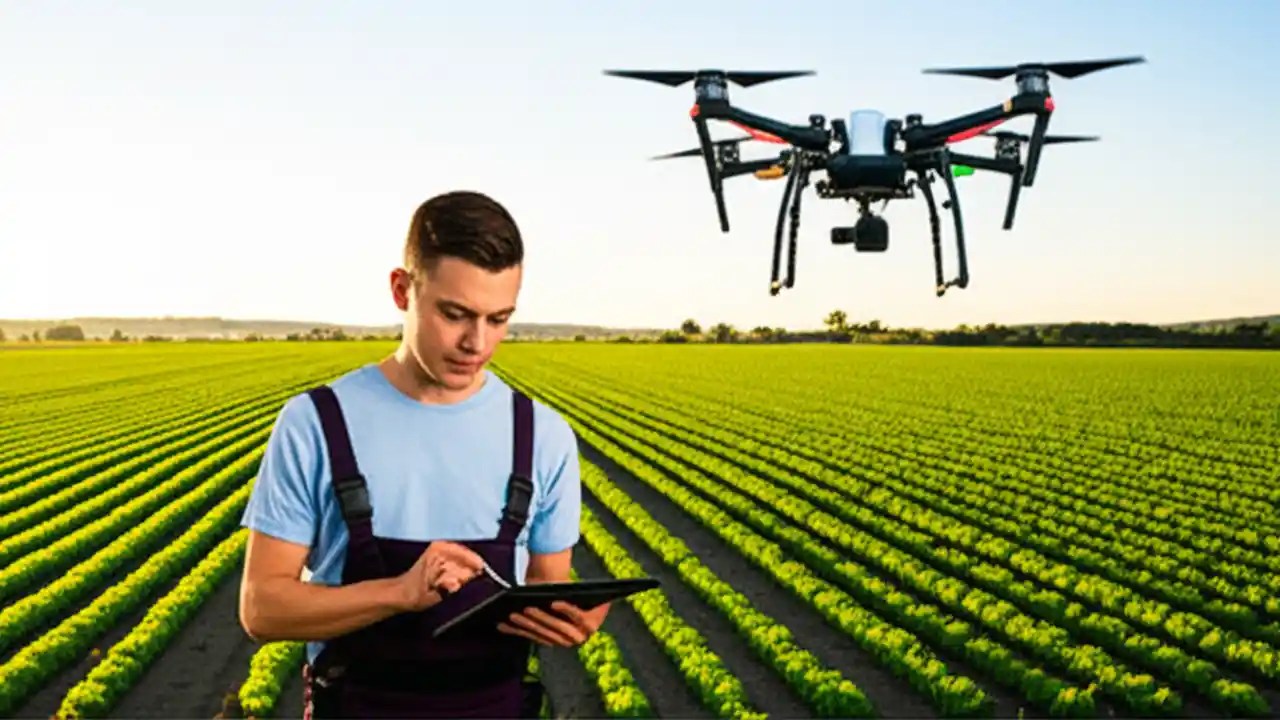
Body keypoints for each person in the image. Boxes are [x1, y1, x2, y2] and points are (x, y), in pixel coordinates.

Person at [237, 190, 610, 719]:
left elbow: (549, 580)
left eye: (498, 319)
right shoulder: (317, 423)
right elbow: (261, 608)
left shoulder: (543, 436)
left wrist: (573, 614)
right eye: (455, 314)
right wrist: (399, 592)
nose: (476, 343)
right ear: (401, 289)